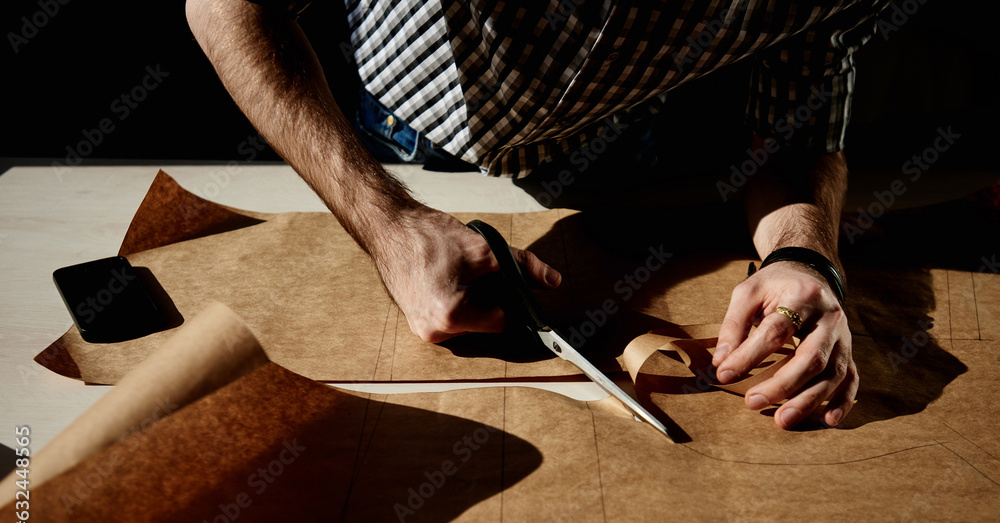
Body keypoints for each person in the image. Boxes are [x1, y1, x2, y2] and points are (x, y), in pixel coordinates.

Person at [186, 0, 891, 429]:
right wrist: (389, 226)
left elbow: (796, 118)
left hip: (627, 152)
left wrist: (804, 255)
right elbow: (224, 7)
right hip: (408, 140)